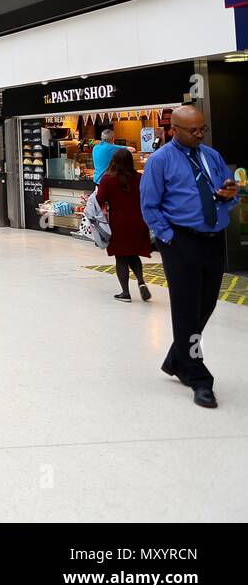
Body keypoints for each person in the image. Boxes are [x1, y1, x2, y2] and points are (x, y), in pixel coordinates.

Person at [139, 105, 238, 409]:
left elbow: (226, 189)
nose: (199, 134)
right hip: (181, 241)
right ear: (174, 131)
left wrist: (229, 194)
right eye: (192, 130)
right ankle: (197, 375)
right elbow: (149, 205)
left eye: (202, 129)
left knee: (205, 305)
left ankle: (177, 358)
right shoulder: (160, 161)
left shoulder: (212, 156)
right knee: (186, 310)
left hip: (213, 238)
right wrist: (168, 238)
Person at [96, 149, 151, 303]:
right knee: (133, 254)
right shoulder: (140, 177)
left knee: (121, 258)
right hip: (139, 221)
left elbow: (99, 200)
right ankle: (140, 281)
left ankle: (125, 293)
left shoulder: (107, 179)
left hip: (118, 223)